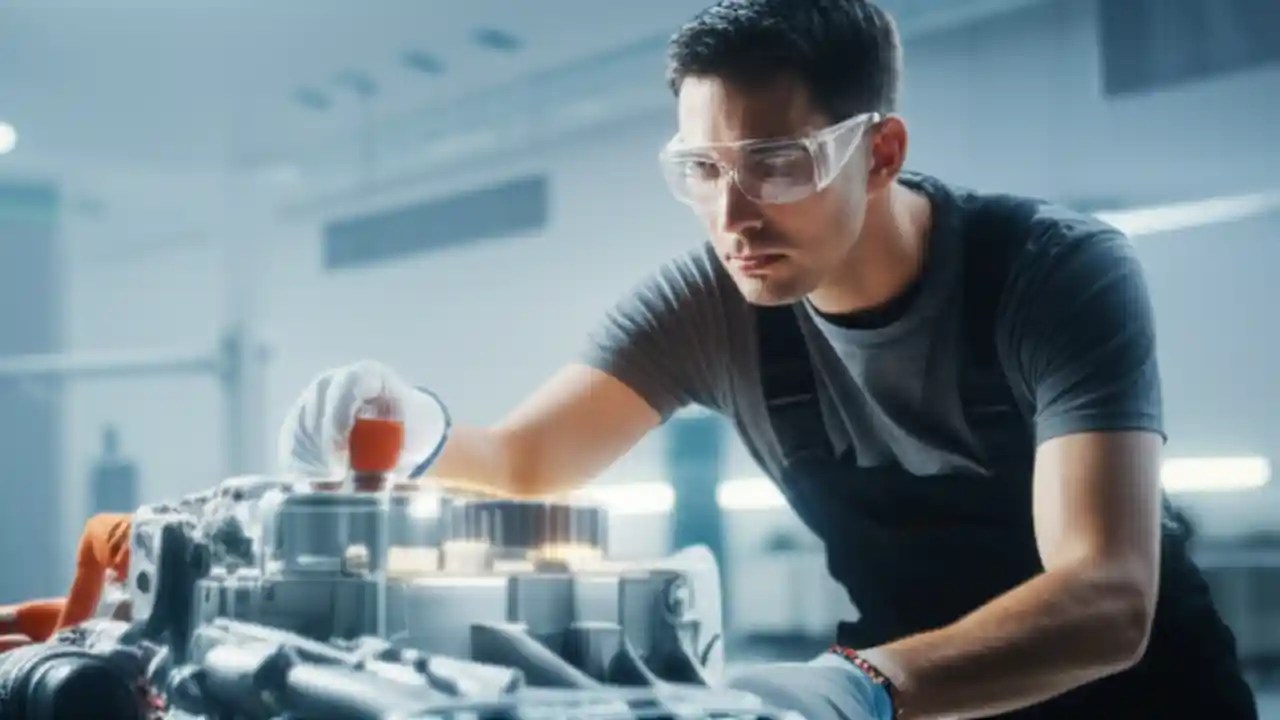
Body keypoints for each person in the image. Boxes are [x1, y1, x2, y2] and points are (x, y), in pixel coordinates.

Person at [279, 0, 1258, 717]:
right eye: (700, 171)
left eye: (775, 164)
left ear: (877, 152)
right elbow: (528, 462)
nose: (730, 217)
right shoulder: (708, 307)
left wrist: (859, 682)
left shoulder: (1050, 275)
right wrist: (412, 423)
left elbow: (1105, 599)